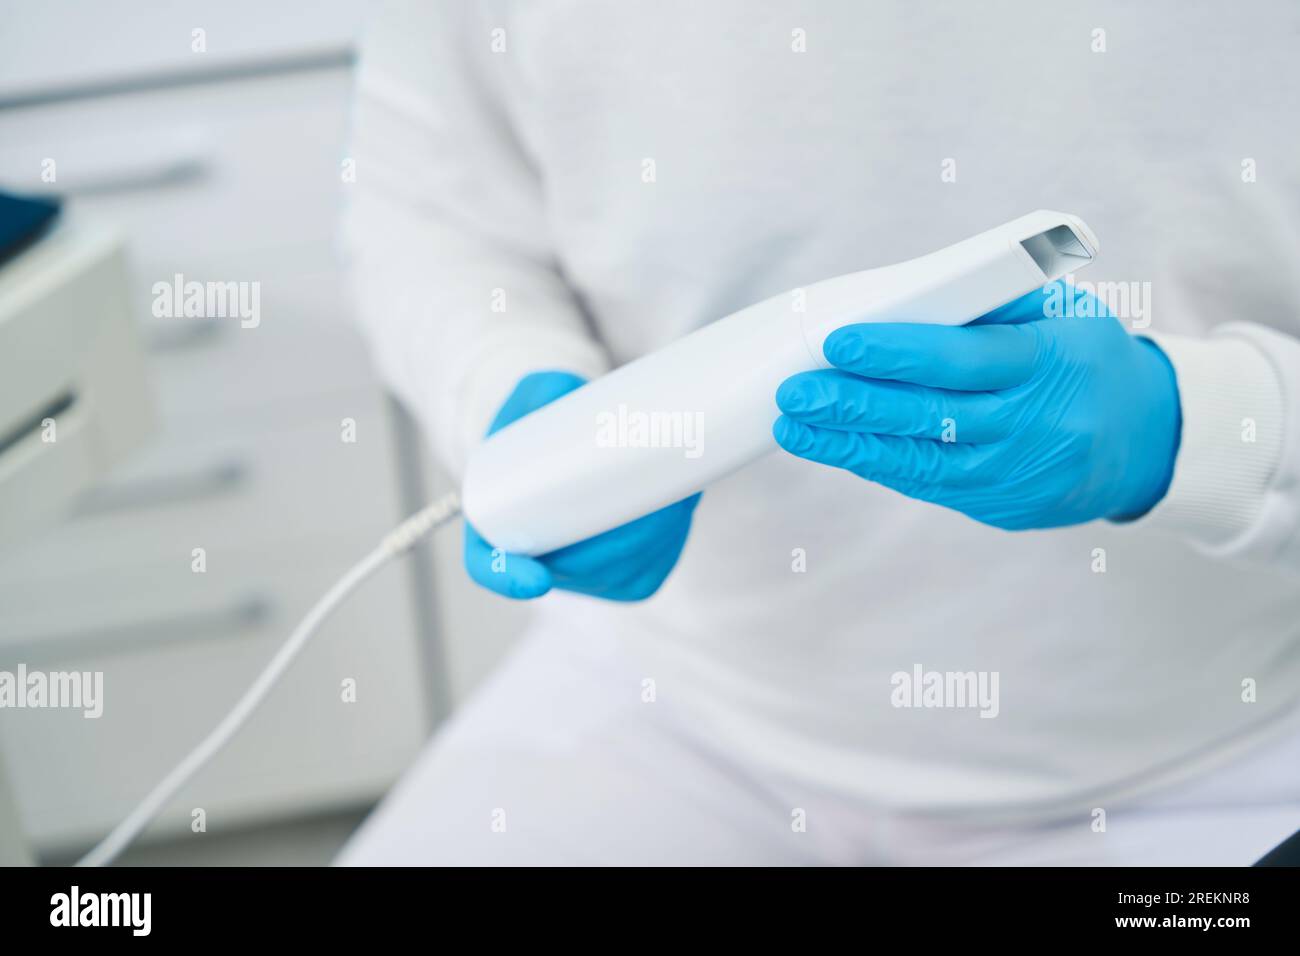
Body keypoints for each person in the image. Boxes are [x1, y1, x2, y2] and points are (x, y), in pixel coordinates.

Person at [338, 0, 1300, 865]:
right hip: (675, 706)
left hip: (1210, 762)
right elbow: (423, 197)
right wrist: (511, 386)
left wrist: (1207, 430)